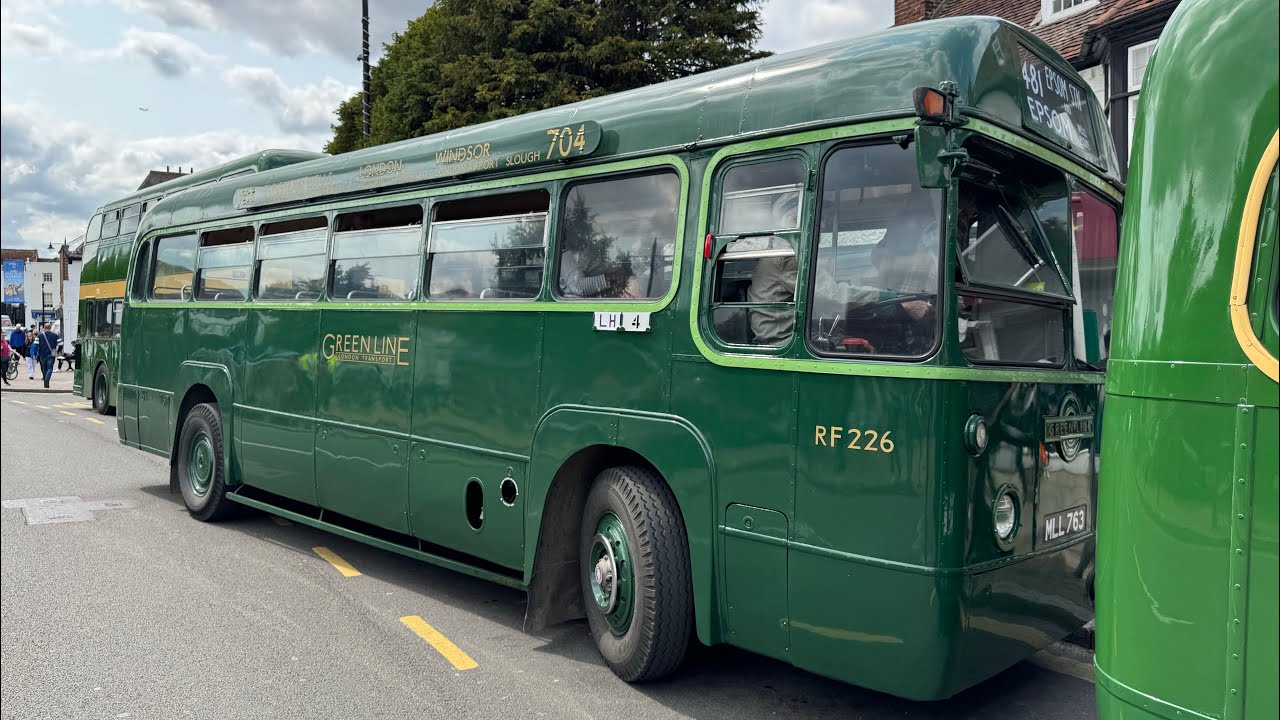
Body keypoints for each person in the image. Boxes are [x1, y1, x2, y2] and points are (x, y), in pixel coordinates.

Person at [748, 192, 936, 347]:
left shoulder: (790, 252)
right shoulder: (788, 255)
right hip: (783, 343)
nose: (824, 225)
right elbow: (832, 295)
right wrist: (893, 300)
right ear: (792, 219)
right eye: (819, 219)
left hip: (797, 337)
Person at [33, 322, 59, 388]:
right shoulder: (55, 335)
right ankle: (47, 380)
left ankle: (45, 378)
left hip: (42, 354)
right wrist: (58, 351)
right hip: (51, 354)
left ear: (44, 328)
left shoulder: (39, 336)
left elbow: (35, 345)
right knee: (50, 368)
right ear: (50, 328)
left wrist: (35, 354)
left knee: (44, 368)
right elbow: (61, 343)